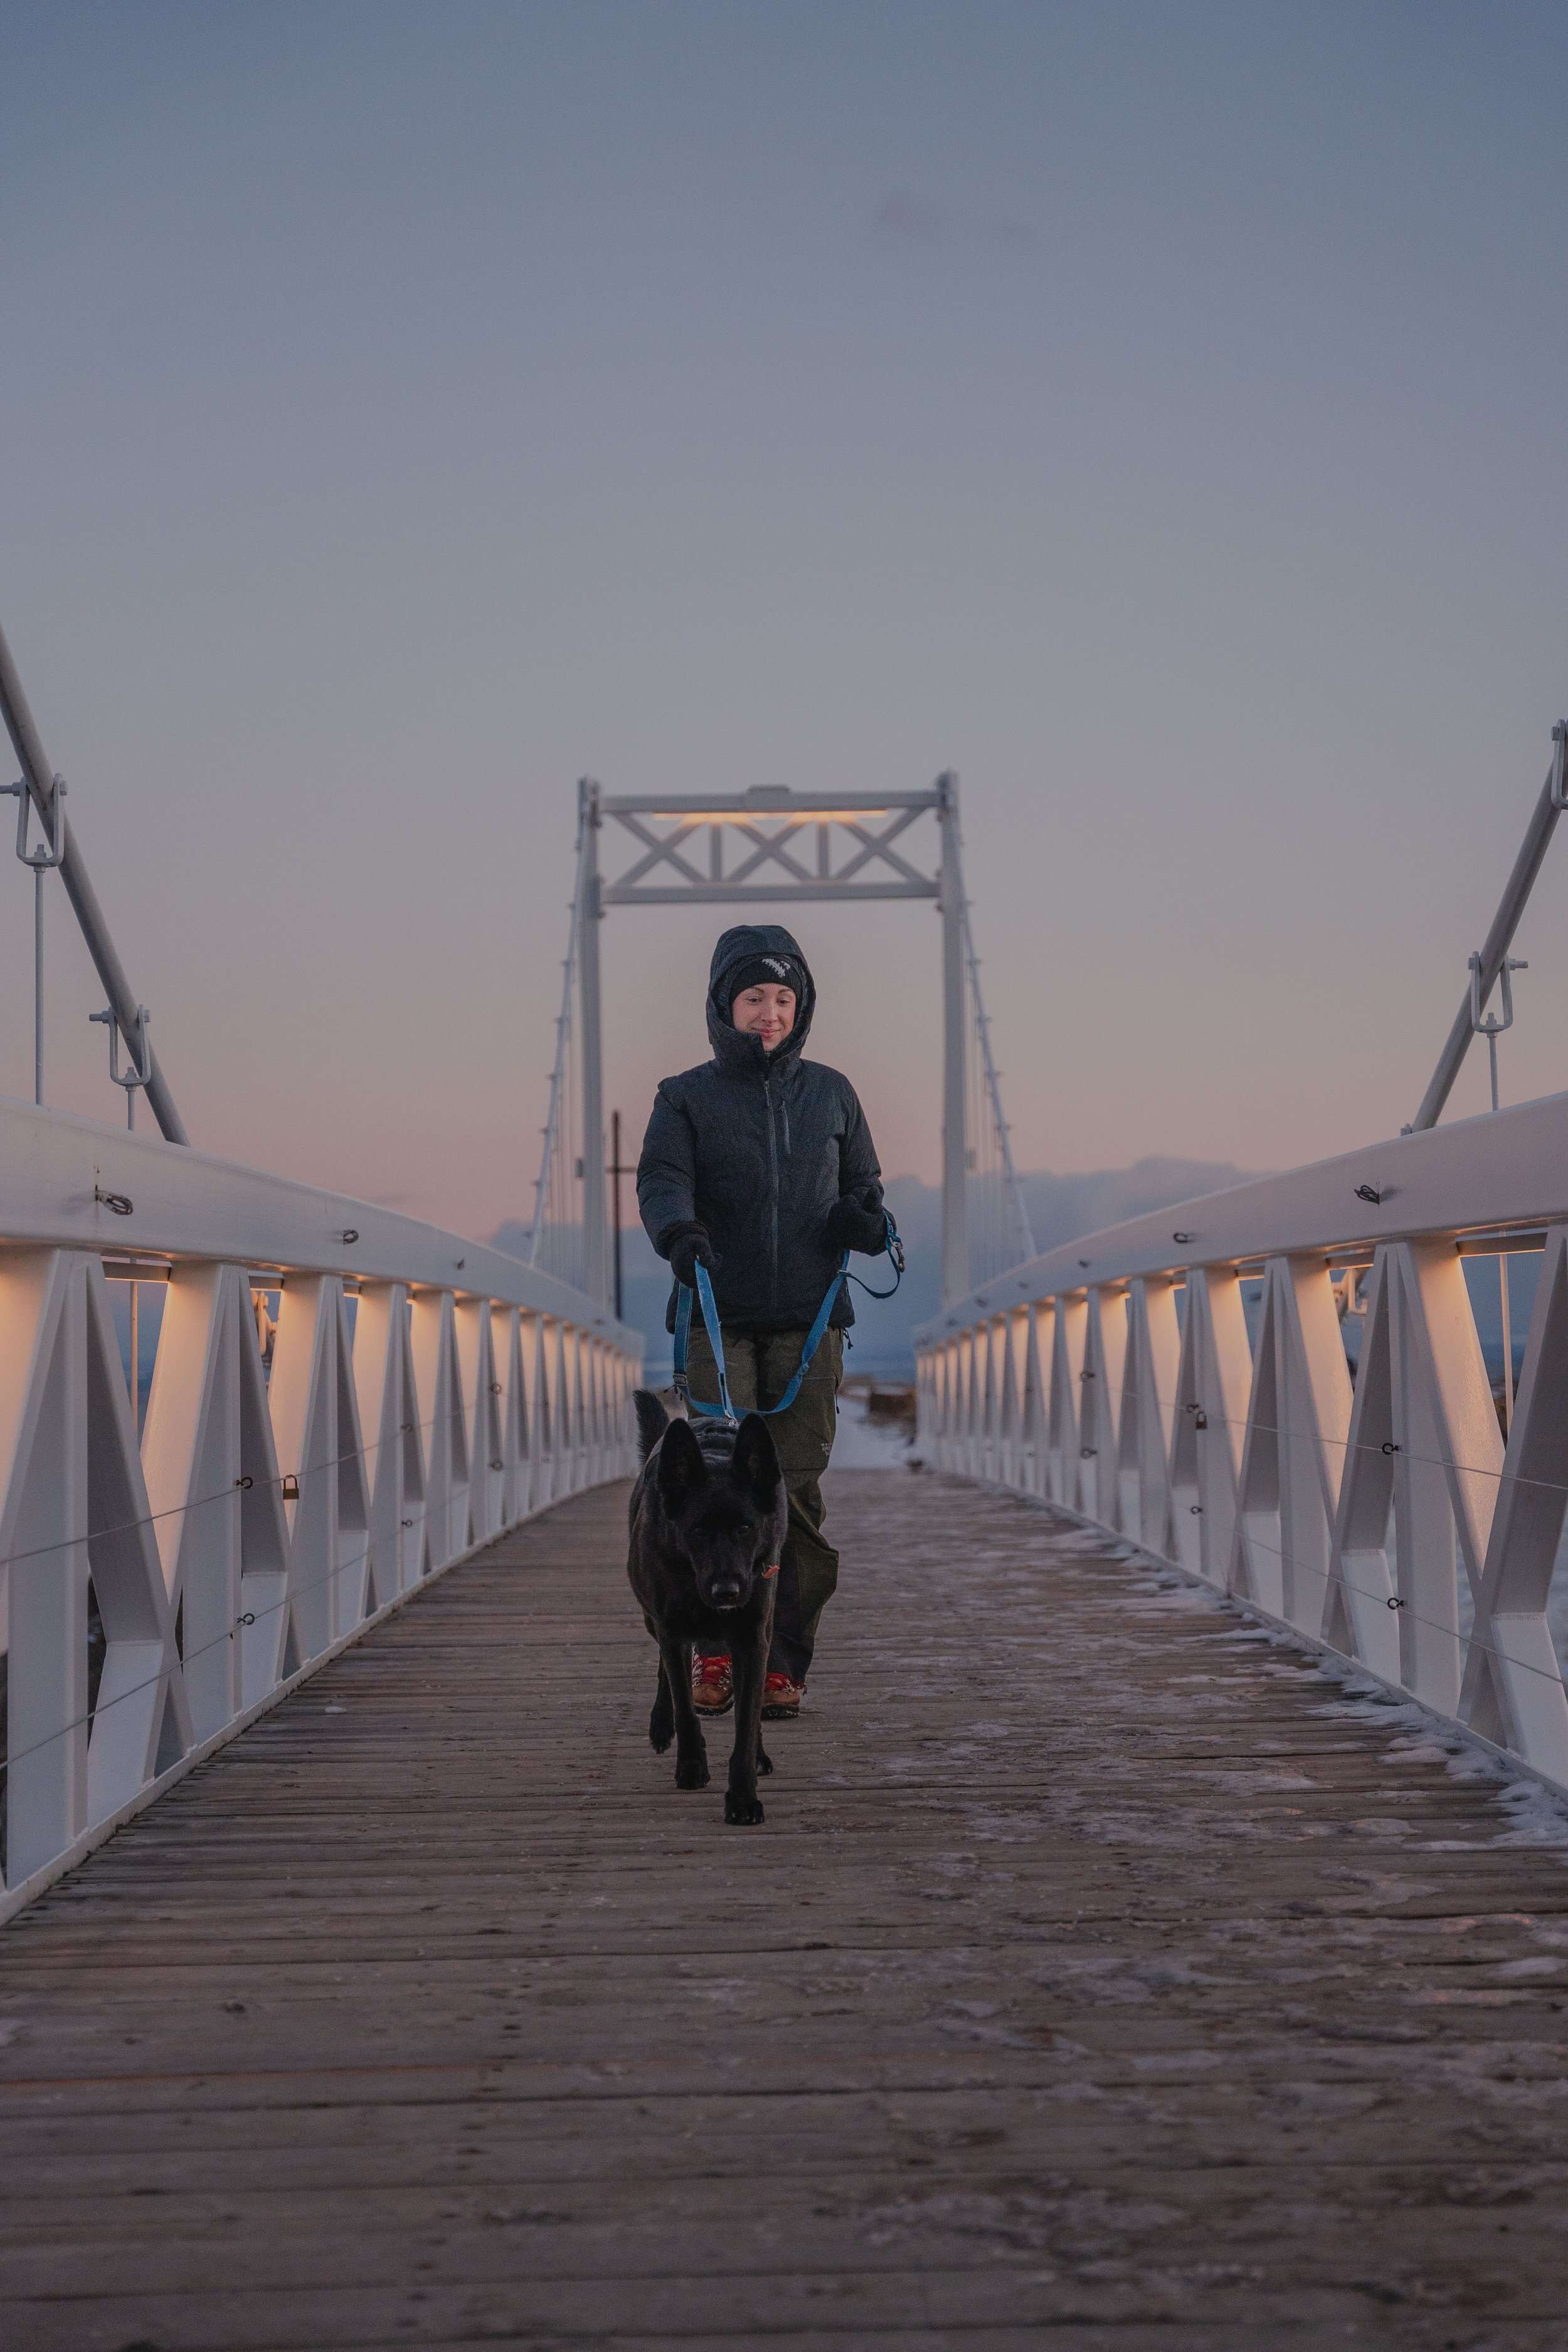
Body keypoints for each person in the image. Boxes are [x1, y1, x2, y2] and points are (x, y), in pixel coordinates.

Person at [637, 924, 888, 1722]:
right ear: (724, 1005)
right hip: (715, 1315)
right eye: (753, 997)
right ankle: (714, 1656)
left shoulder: (834, 1092)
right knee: (714, 1490)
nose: (769, 1012)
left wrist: (863, 1220)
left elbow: (865, 1186)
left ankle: (780, 1662)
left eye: (783, 998)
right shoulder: (684, 1097)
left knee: (794, 1494)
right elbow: (662, 1181)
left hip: (810, 1322)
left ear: (801, 1006)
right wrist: (679, 1233)